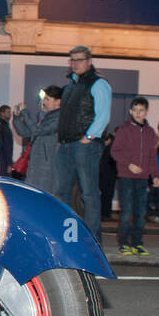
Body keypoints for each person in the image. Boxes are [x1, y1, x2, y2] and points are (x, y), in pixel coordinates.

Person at [54, 45, 112, 243]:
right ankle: (67, 238)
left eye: (79, 60)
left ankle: (92, 240)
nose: (75, 64)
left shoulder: (98, 83)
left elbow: (103, 116)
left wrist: (88, 138)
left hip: (85, 145)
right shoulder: (70, 86)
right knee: (62, 193)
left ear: (88, 61)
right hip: (66, 144)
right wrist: (62, 142)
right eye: (72, 60)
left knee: (89, 193)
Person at [111, 97, 159, 255]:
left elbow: (152, 156)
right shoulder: (124, 130)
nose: (139, 113)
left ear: (146, 112)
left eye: (142, 110)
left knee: (140, 213)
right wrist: (129, 165)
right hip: (126, 177)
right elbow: (115, 151)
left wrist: (155, 175)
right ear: (130, 111)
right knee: (126, 212)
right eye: (136, 110)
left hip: (143, 179)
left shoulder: (150, 132)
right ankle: (124, 242)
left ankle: (137, 243)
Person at [11, 86, 62, 195]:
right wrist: (16, 118)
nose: (43, 102)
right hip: (36, 163)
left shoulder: (59, 118)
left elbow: (38, 130)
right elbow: (24, 132)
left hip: (47, 165)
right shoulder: (46, 117)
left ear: (58, 101)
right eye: (44, 99)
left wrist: (25, 113)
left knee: (43, 197)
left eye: (47, 99)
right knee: (32, 194)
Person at [0, 104, 15, 176]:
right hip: (2, 160)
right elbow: (7, 146)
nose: (10, 114)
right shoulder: (2, 126)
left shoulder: (4, 125)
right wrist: (9, 163)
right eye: (8, 112)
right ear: (2, 113)